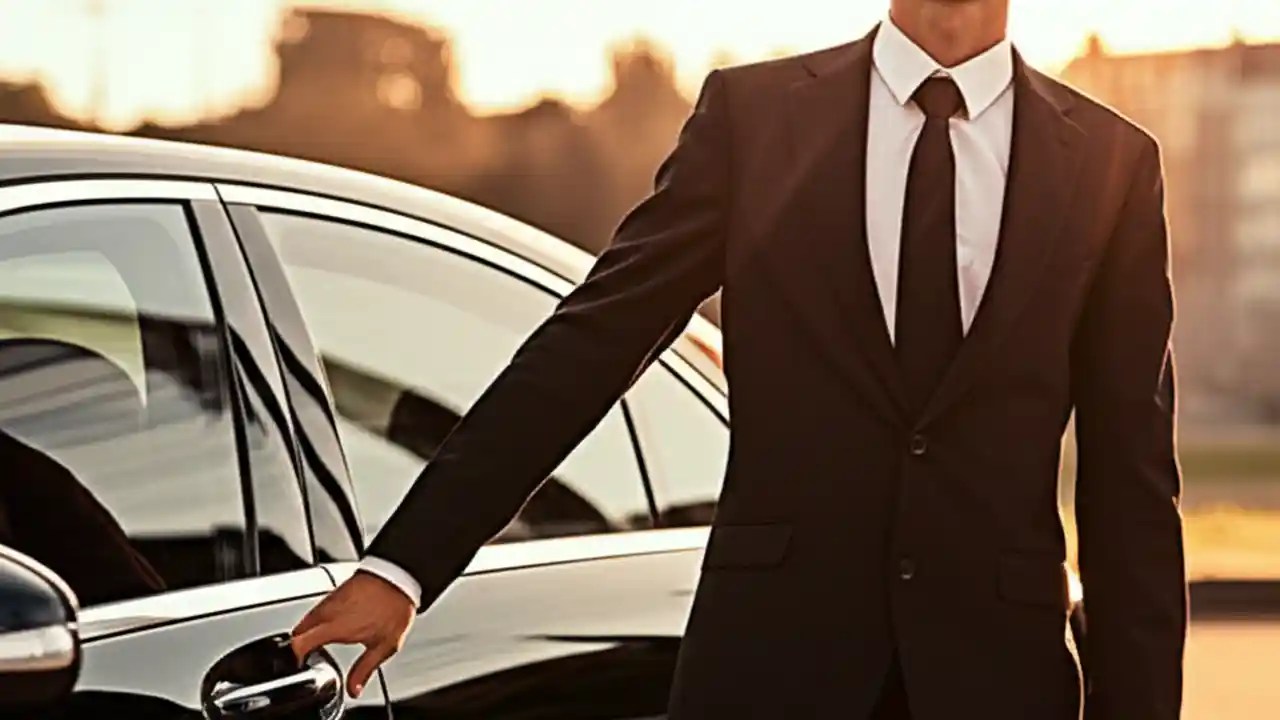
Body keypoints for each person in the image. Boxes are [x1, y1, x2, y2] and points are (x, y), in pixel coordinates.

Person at [291, 0, 1187, 717]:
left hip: (1000, 680)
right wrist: (405, 567)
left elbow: (1131, 482)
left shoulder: (1111, 166)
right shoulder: (753, 119)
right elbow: (593, 343)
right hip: (770, 670)